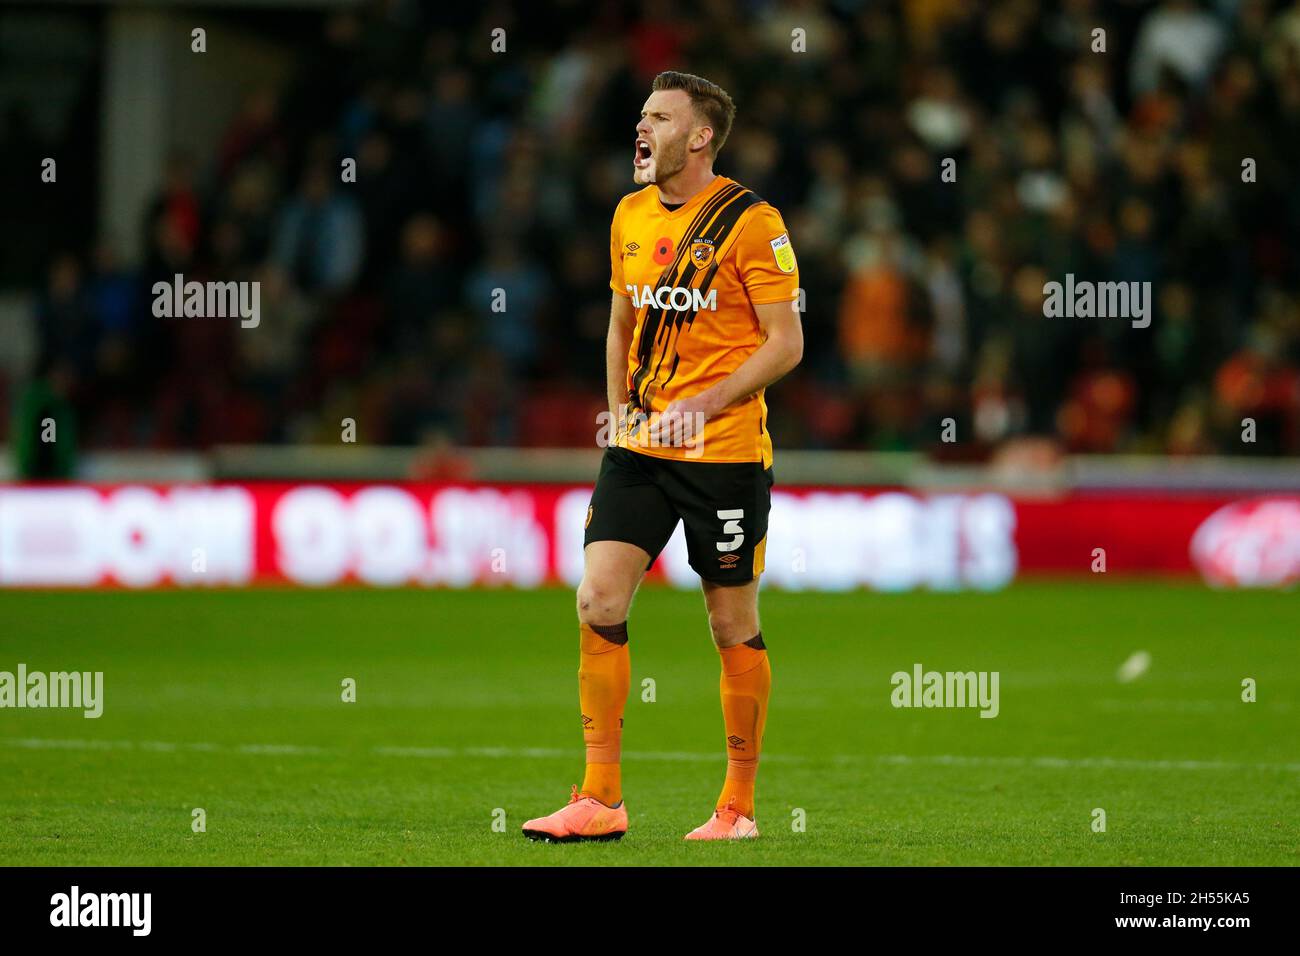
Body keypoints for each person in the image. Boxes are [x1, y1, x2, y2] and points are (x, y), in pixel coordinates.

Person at [522, 71, 803, 842]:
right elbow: (620, 323)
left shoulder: (753, 223)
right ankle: (600, 798)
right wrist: (619, 413)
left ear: (700, 136)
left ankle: (738, 810)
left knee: (729, 623)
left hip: (725, 454)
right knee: (597, 600)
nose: (640, 128)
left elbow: (788, 342)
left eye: (658, 117)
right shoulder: (628, 215)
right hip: (642, 449)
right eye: (641, 116)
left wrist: (705, 405)